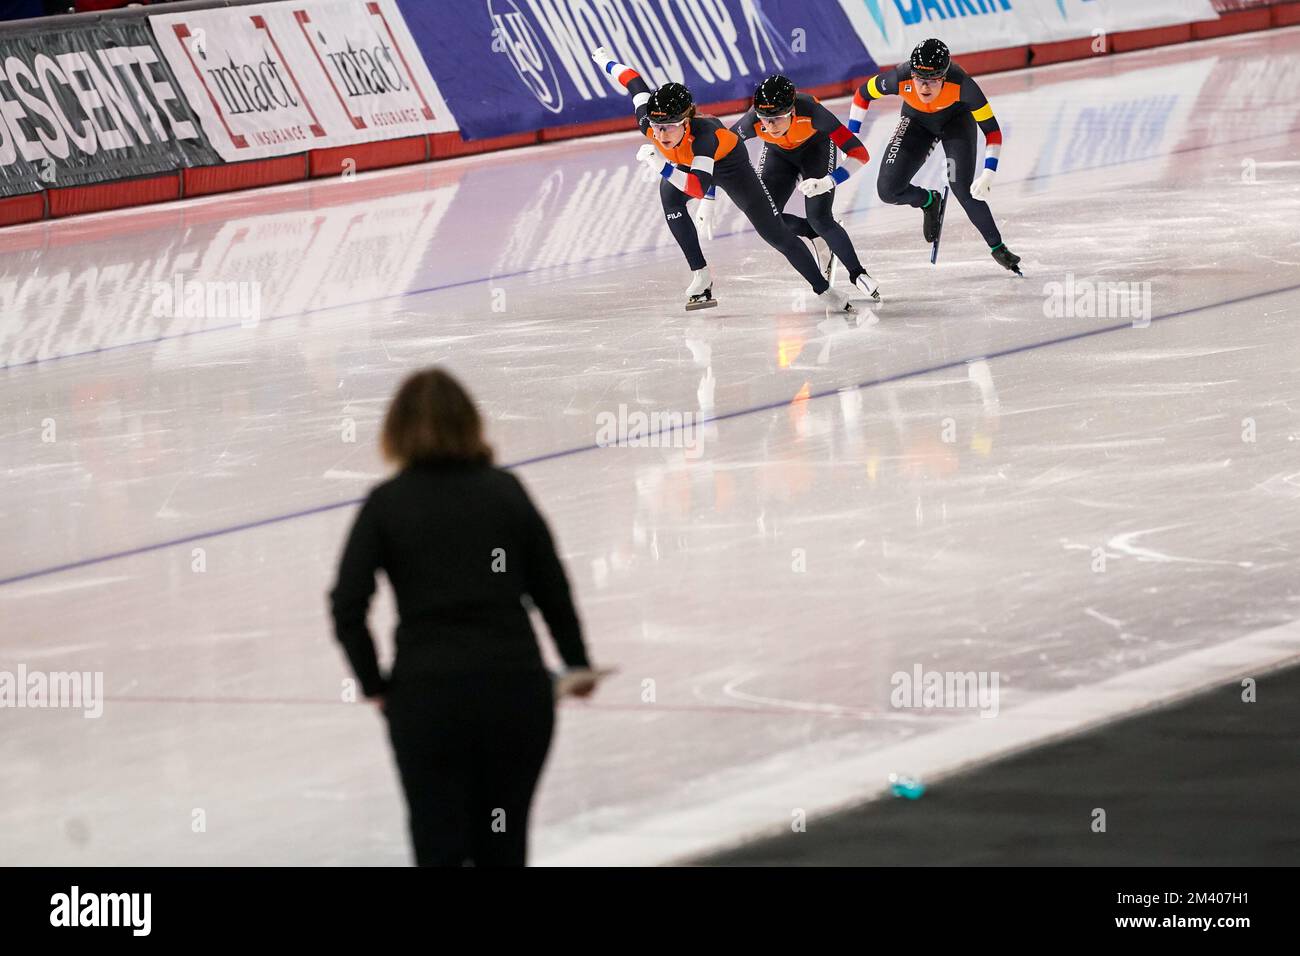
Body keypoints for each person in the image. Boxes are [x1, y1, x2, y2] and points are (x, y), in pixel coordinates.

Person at [329, 367, 598, 866]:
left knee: (439, 846)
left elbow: (347, 605)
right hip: (514, 691)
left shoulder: (388, 505)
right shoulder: (505, 491)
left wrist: (375, 685)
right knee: (503, 843)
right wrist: (577, 663)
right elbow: (551, 589)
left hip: (428, 698)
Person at [591, 46, 856, 313]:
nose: (660, 135)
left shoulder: (705, 138)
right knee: (670, 196)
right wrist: (605, 61)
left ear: (686, 121)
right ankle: (701, 274)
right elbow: (633, 82)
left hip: (730, 165)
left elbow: (698, 186)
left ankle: (825, 290)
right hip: (690, 164)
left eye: (669, 126)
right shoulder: (649, 122)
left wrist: (663, 166)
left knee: (774, 234)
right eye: (656, 126)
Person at [849, 38, 1022, 275]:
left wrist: (988, 174)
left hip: (955, 123)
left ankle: (998, 248)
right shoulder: (898, 78)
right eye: (919, 79)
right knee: (888, 190)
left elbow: (992, 131)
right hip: (916, 122)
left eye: (932, 81)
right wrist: (852, 133)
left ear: (945, 76)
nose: (924, 88)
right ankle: (929, 201)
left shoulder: (964, 86)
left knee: (962, 188)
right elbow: (862, 94)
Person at [732, 74, 881, 301]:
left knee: (819, 217)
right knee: (769, 219)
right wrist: (709, 198)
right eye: (764, 119)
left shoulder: (813, 112)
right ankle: (814, 234)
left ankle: (857, 272)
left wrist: (828, 181)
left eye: (777, 118)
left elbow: (860, 154)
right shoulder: (751, 121)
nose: (770, 126)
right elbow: (720, 152)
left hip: (815, 150)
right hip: (777, 155)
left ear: (792, 111)